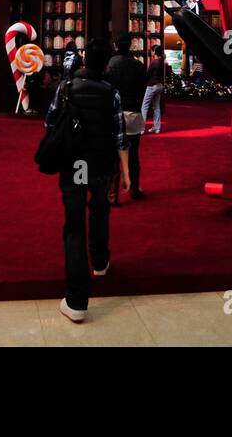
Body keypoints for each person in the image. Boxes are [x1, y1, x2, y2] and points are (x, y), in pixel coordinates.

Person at [48, 37, 131, 324]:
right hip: (101, 164)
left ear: (84, 58)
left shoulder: (67, 88)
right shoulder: (112, 92)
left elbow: (50, 121)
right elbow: (120, 133)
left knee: (73, 226)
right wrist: (126, 171)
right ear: (107, 62)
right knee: (99, 210)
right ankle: (100, 261)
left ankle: (76, 300)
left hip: (73, 163)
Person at [105, 33, 147, 201]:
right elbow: (142, 89)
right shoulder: (139, 66)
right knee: (134, 155)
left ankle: (113, 195)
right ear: (131, 45)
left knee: (114, 155)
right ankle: (135, 189)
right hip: (133, 113)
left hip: (114, 114)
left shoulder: (109, 65)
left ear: (115, 45)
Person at [142, 43, 165, 134]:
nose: (151, 52)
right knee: (156, 107)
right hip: (159, 85)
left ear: (154, 52)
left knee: (144, 106)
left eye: (152, 51)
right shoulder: (162, 61)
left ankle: (141, 128)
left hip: (152, 86)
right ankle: (157, 128)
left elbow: (147, 75)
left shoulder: (154, 62)